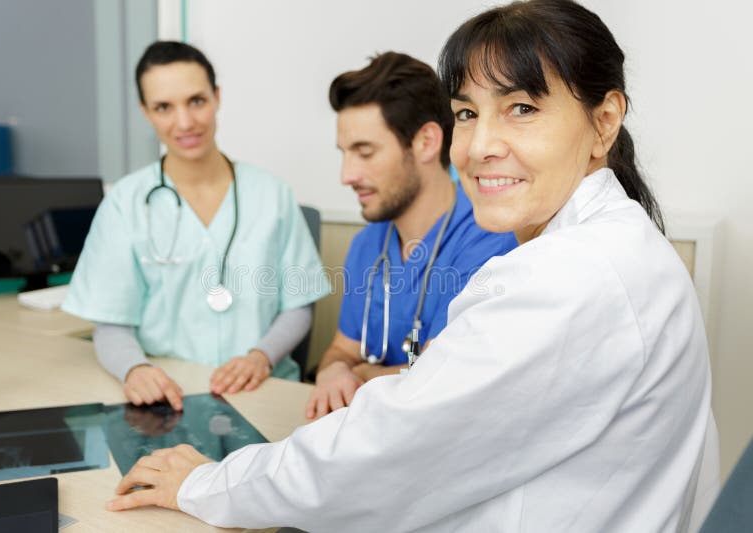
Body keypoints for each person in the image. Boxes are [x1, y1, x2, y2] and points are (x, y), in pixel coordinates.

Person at [106, 1, 719, 531]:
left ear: (604, 122)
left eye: (522, 108)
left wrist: (208, 484)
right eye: (468, 114)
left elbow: (388, 447)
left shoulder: (566, 275)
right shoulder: (606, 246)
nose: (480, 146)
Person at [63, 41, 330, 410]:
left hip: (262, 389)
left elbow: (298, 306)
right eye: (164, 107)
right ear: (146, 112)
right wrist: (135, 369)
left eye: (196, 101)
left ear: (216, 97)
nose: (185, 122)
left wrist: (261, 357)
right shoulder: (125, 203)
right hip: (170, 393)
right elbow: (111, 322)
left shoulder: (272, 195)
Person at [306, 52, 517, 419]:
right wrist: (334, 371)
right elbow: (342, 350)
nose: (346, 175)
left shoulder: (489, 239)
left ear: (426, 142)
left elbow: (443, 380)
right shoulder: (367, 245)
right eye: (345, 153)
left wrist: (362, 375)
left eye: (364, 152)